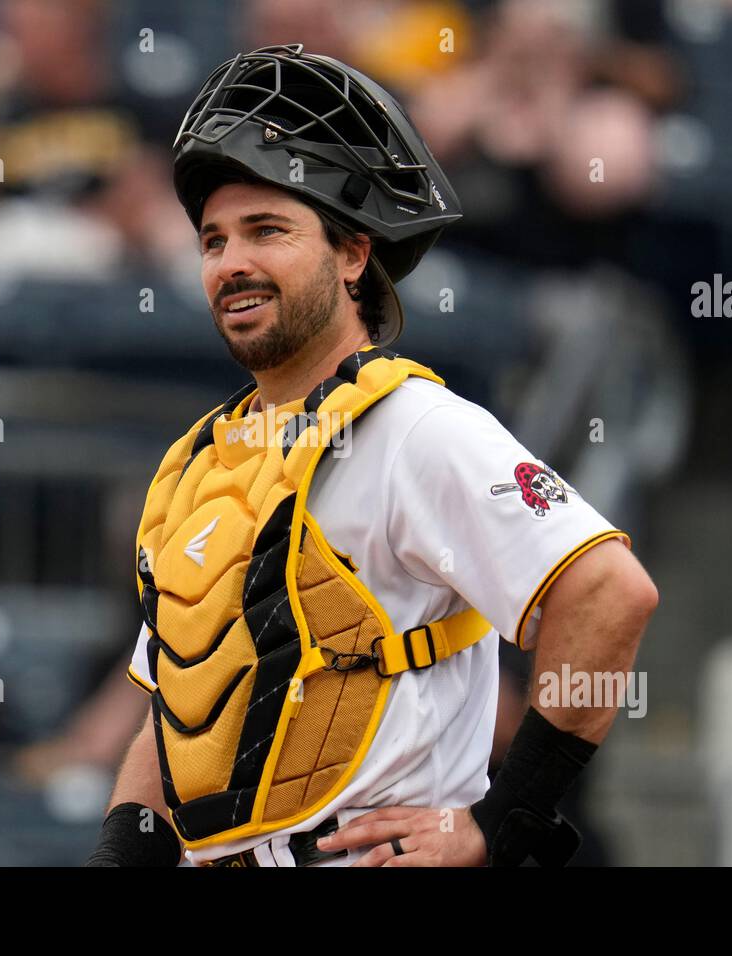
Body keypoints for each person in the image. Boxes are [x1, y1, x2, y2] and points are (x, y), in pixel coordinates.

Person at [87, 44, 657, 868]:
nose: (232, 262)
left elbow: (611, 594)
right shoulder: (202, 462)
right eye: (213, 241)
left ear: (354, 254)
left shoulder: (413, 426)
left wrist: (504, 819)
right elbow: (179, 707)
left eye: (266, 230)